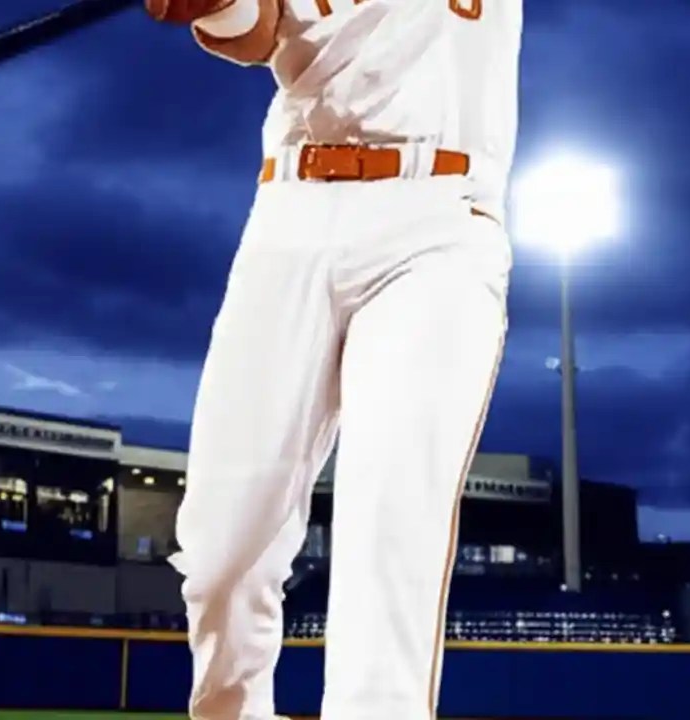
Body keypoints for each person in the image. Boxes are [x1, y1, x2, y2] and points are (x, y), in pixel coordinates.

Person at [144, 0, 523, 718]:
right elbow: (258, 33)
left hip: (437, 215)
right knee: (221, 553)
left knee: (390, 524)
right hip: (292, 207)